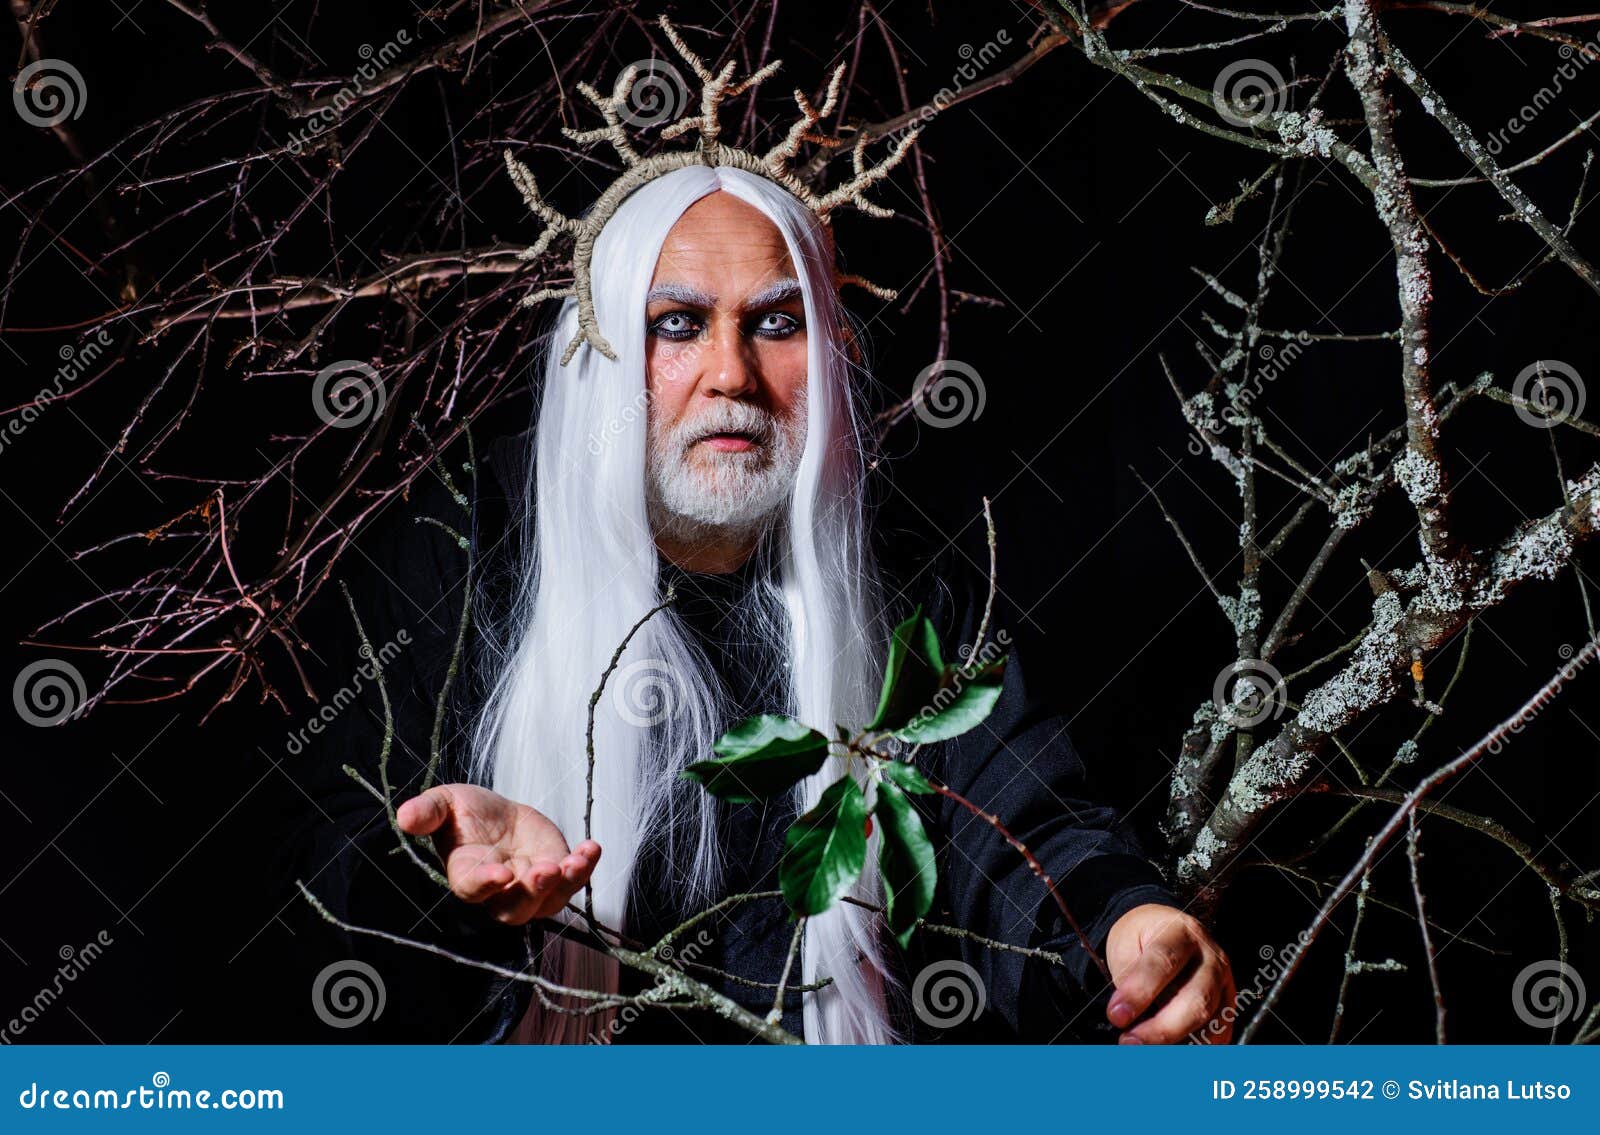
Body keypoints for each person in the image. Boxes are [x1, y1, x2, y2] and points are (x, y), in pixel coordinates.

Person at [287, 21, 1234, 1045]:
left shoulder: (907, 595)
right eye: (678, 324)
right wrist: (439, 878)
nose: (731, 373)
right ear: (603, 354)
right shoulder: (457, 568)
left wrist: (1123, 926)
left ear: (825, 356)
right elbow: (325, 916)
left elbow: (1024, 821)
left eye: (775, 322)